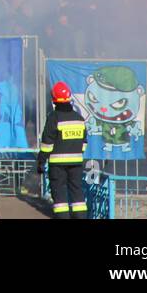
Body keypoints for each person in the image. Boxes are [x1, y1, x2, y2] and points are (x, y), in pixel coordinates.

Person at [37, 82, 88, 218]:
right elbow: (84, 143)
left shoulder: (54, 117)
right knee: (77, 192)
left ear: (54, 100)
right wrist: (76, 153)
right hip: (77, 163)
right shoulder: (79, 118)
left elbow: (47, 143)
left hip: (57, 164)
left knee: (59, 195)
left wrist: (41, 161)